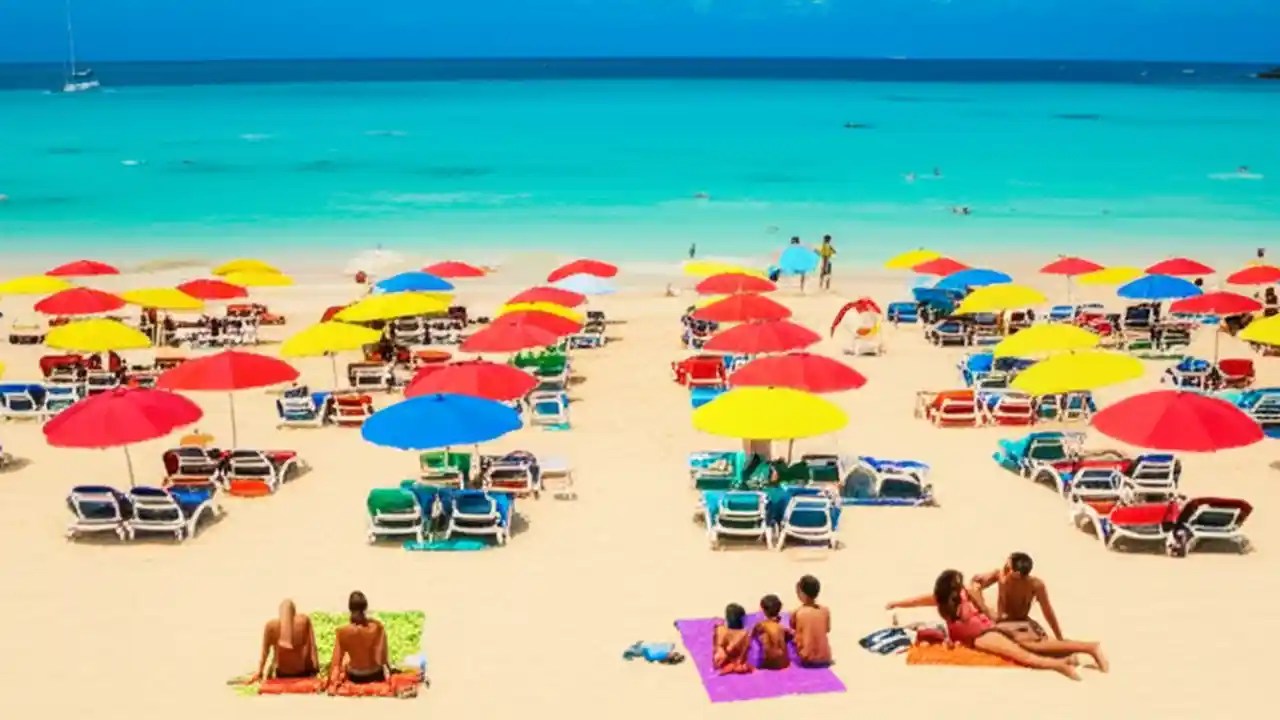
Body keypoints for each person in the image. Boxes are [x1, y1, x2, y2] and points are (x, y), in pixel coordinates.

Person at [886, 570, 1107, 680]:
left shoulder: (966, 594)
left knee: (1028, 655)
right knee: (1031, 648)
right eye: (957, 583)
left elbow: (986, 604)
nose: (960, 586)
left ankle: (1065, 664)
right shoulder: (942, 599)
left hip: (985, 633)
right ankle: (1073, 656)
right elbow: (916, 601)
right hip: (981, 634)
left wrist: (981, 591)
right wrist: (896, 603)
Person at [970, 552, 1062, 642]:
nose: (1004, 568)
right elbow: (974, 586)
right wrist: (987, 611)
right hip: (1000, 621)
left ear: (1016, 574)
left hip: (1021, 622)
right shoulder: (999, 575)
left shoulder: (1035, 585)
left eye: (1007, 567)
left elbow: (1047, 611)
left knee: (1037, 640)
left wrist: (1059, 637)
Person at [329, 591, 390, 689]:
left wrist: (331, 682)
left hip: (355, 676)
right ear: (365, 607)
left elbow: (336, 662)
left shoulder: (344, 631)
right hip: (374, 674)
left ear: (350, 608)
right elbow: (381, 659)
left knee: (346, 660)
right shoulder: (377, 627)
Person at [249, 599, 318, 683]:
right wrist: (315, 670)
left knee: (275, 659)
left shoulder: (271, 626)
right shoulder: (304, 621)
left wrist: (260, 672)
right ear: (294, 613)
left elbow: (265, 652)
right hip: (302, 672)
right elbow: (312, 648)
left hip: (282, 672)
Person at [791, 575, 832, 667]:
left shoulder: (797, 612)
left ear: (802, 593)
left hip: (808, 659)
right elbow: (827, 629)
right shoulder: (825, 610)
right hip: (825, 658)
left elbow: (794, 628)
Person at [712, 603, 753, 674]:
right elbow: (745, 651)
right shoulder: (745, 633)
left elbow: (716, 645)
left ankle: (730, 665)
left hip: (722, 660)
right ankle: (734, 665)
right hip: (737, 660)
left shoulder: (720, 629)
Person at [752, 595, 790, 669]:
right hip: (784, 664)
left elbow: (751, 636)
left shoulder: (760, 625)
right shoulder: (781, 627)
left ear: (763, 610)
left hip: (770, 665)